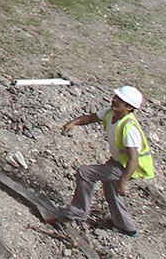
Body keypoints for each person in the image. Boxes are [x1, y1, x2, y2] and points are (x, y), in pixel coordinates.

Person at [59, 87, 155, 235]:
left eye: (120, 101)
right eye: (116, 97)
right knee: (110, 188)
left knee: (85, 172)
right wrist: (74, 122)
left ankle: (78, 211)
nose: (115, 100)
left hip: (128, 167)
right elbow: (91, 118)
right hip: (117, 162)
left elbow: (133, 160)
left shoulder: (129, 128)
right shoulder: (111, 113)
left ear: (129, 108)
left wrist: (123, 181)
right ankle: (126, 226)